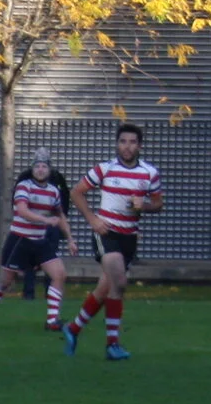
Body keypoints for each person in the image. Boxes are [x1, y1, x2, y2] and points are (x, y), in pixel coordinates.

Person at [66, 122, 163, 360]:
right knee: (119, 283)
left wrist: (145, 206)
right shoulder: (104, 169)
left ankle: (74, 328)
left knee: (105, 288)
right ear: (117, 144)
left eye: (132, 142)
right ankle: (112, 344)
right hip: (106, 233)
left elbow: (159, 204)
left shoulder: (149, 173)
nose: (127, 147)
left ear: (140, 145)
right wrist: (92, 220)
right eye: (122, 141)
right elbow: (76, 192)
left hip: (129, 237)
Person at [0, 151, 73, 331]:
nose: (40, 169)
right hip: (20, 240)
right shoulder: (24, 186)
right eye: (37, 166)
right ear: (32, 169)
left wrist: (70, 239)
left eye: (44, 166)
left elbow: (60, 216)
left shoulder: (54, 191)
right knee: (5, 282)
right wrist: (46, 220)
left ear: (49, 169)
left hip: (40, 241)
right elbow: (22, 211)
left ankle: (52, 320)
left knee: (59, 274)